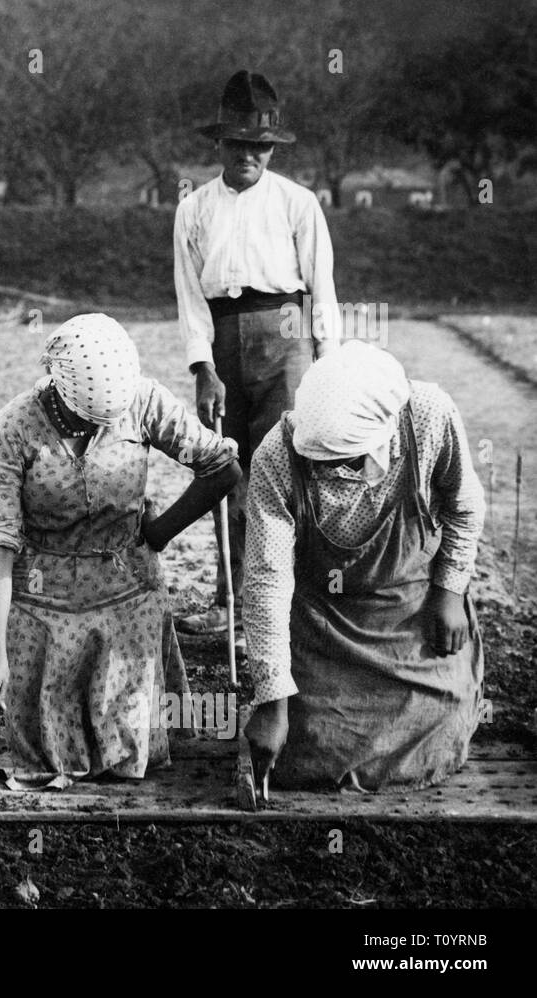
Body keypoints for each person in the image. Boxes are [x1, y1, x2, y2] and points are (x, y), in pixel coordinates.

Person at [0, 314, 242, 783]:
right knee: (48, 749)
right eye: (86, 417)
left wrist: (159, 533)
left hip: (127, 583)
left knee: (125, 744)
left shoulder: (143, 400)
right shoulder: (13, 429)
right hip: (42, 592)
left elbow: (222, 467)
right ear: (59, 389)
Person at [242, 342, 486, 791]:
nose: (332, 471)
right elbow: (266, 580)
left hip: (411, 610)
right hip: (324, 621)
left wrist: (449, 590)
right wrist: (272, 699)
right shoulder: (275, 456)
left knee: (442, 719)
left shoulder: (429, 417)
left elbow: (464, 505)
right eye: (322, 462)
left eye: (347, 460)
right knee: (306, 743)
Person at [173, 69, 338, 645]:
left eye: (261, 146)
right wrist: (204, 368)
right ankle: (232, 603)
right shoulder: (193, 209)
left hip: (287, 337)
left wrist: (326, 365)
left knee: (286, 475)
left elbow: (322, 288)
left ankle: (290, 609)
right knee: (227, 473)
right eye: (240, 144)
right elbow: (190, 297)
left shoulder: (298, 203)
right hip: (223, 342)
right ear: (219, 144)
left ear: (272, 148)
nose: (250, 156)